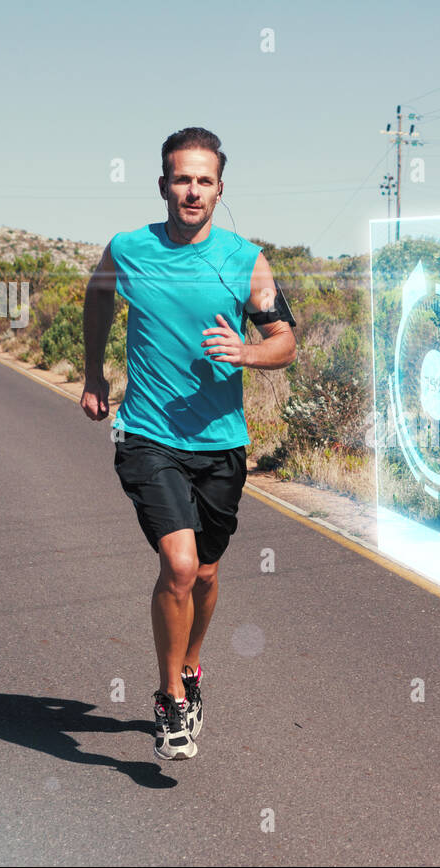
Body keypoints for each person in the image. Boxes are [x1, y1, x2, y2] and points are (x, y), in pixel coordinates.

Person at [80, 126, 296, 760]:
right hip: (147, 435)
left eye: (204, 180)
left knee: (204, 572)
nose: (192, 190)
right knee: (177, 565)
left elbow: (284, 339)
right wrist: (94, 372)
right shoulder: (129, 249)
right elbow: (97, 297)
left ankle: (193, 668)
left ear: (219, 188)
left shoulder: (245, 259)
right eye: (182, 178)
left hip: (222, 443)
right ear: (163, 185)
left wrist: (248, 352)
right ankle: (170, 697)